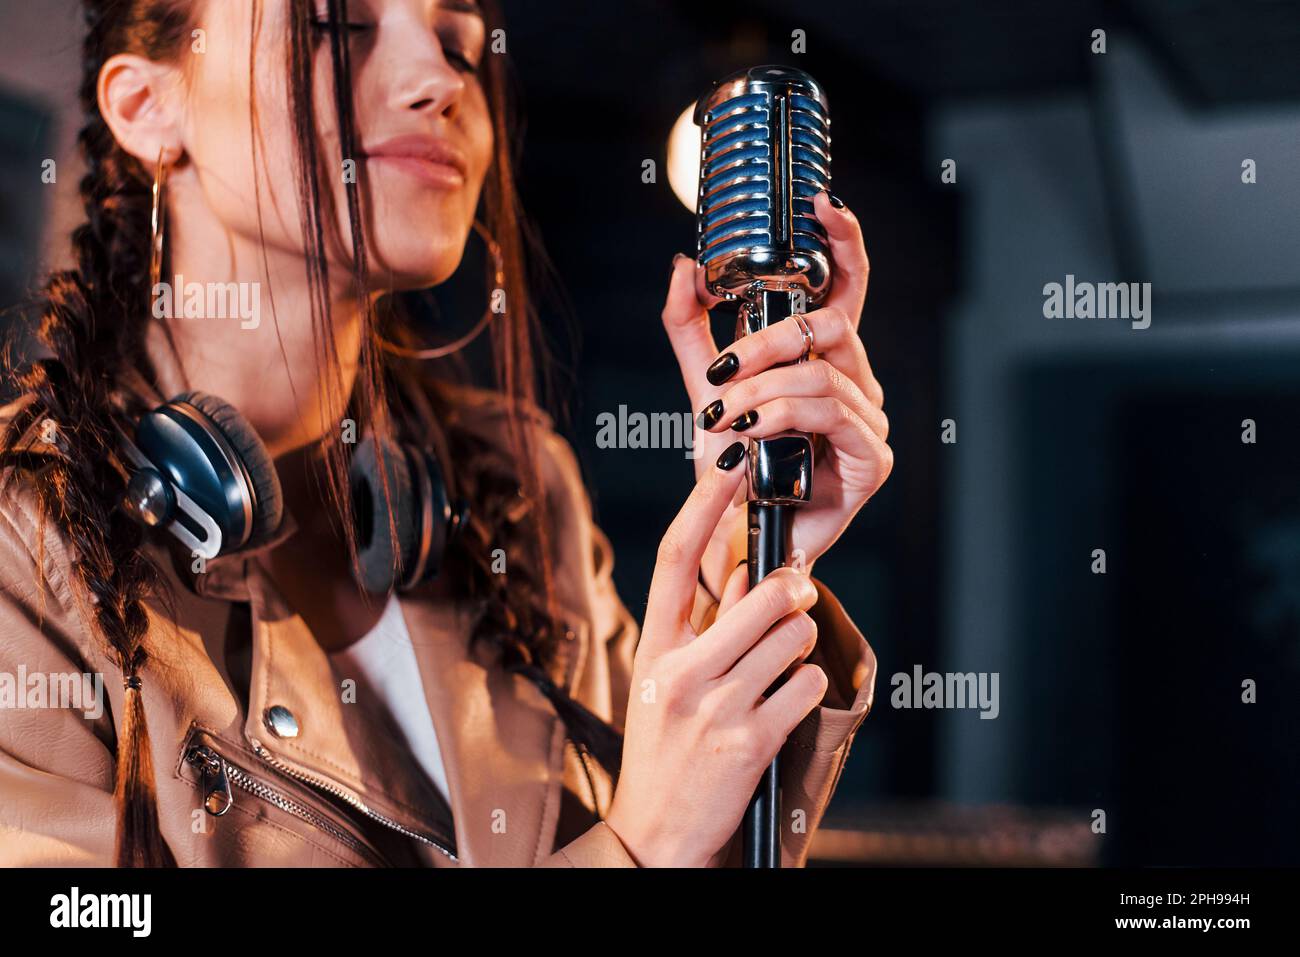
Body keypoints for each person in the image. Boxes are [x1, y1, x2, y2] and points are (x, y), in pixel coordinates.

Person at [0, 0, 891, 868]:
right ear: (146, 107)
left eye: (461, 42)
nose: (438, 79)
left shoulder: (519, 490)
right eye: (336, 26)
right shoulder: (22, 546)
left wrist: (751, 553)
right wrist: (634, 849)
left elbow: (702, 824)